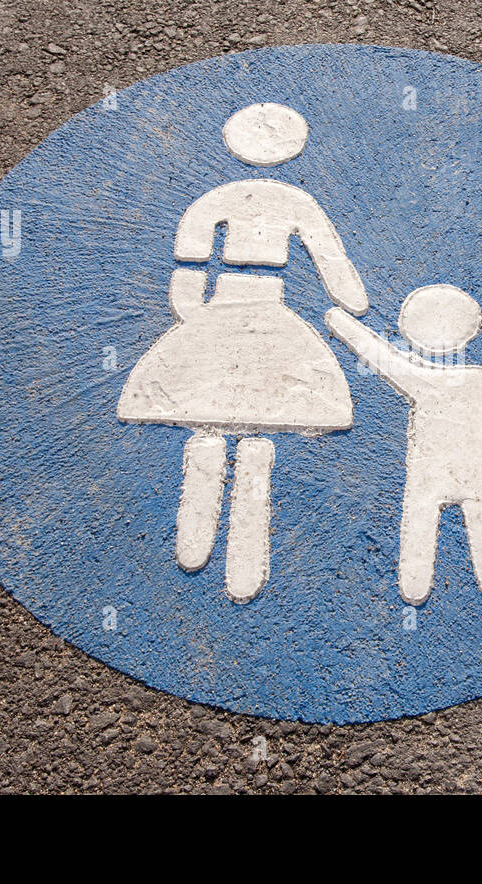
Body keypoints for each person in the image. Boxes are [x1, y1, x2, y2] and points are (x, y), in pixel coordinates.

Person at [118, 103, 368, 603]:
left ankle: (199, 537)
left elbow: (189, 261)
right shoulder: (294, 201)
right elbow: (333, 265)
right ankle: (241, 556)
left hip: (226, 308)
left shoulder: (219, 198)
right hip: (266, 312)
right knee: (258, 435)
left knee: (207, 425)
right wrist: (350, 302)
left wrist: (193, 316)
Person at [326, 284, 482, 605]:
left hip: (431, 470)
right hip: (478, 468)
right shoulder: (478, 378)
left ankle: (416, 584)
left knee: (421, 518)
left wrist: (339, 320)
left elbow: (377, 353)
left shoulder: (421, 379)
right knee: (480, 517)